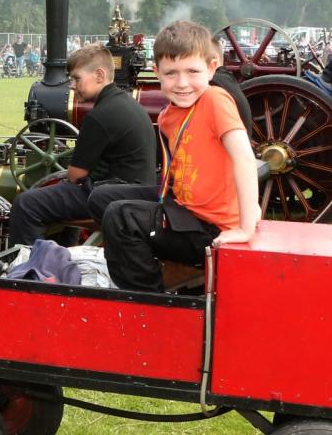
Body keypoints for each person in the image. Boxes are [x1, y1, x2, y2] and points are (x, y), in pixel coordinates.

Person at [89, 21, 260, 292]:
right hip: (185, 206)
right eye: (171, 73)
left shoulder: (215, 99)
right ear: (156, 72)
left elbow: (244, 157)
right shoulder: (168, 116)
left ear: (212, 67)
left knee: (121, 217)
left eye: (193, 71)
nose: (182, 83)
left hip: (212, 227)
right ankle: (159, 262)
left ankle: (149, 299)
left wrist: (247, 227)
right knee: (101, 195)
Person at [9, 45, 157, 246]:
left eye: (76, 78)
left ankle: (29, 269)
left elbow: (74, 175)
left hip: (112, 195)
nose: (71, 85)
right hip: (139, 191)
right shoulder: (132, 106)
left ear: (99, 75)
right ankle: (67, 251)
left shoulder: (99, 116)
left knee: (26, 203)